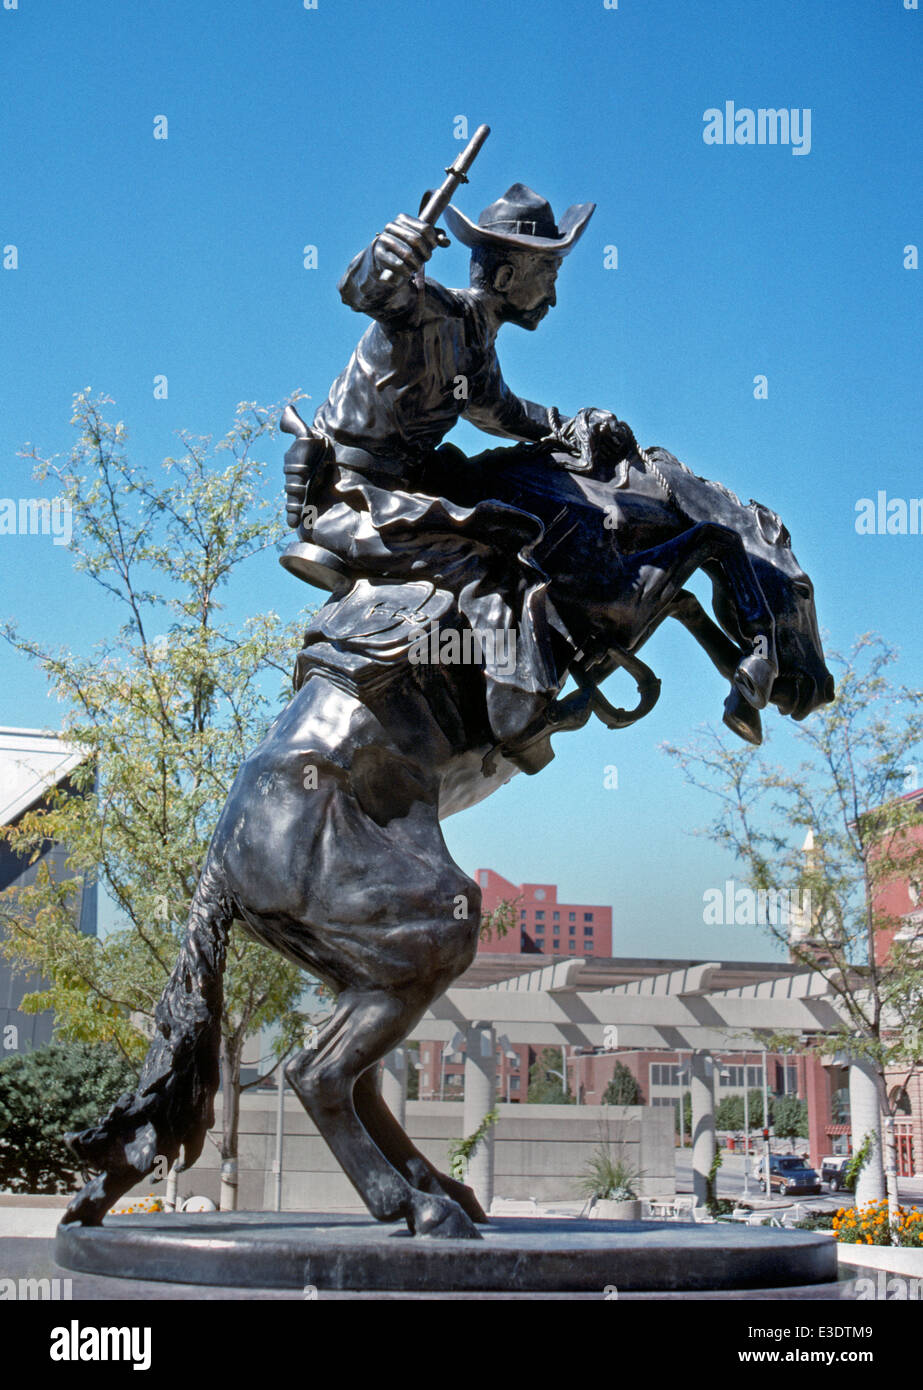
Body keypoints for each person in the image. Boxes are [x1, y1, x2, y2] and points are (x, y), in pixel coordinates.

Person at [283, 184, 631, 761]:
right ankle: (520, 713)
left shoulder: (476, 345)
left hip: (402, 487)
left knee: (516, 521)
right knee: (487, 566)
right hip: (350, 497)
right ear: (503, 280)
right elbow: (367, 290)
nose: (552, 297)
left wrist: (572, 425)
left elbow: (505, 413)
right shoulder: (428, 310)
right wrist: (387, 253)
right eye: (547, 275)